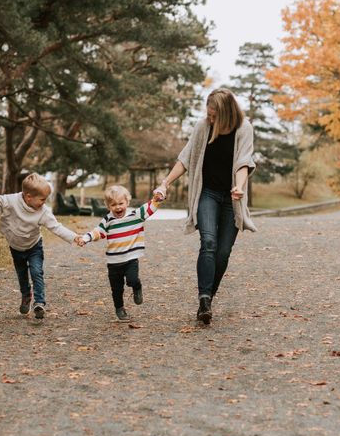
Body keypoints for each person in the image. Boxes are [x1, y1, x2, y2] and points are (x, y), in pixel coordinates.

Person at [153, 87, 256, 325]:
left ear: (227, 114)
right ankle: (204, 299)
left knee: (223, 252)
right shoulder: (203, 127)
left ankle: (209, 294)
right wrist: (165, 183)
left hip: (232, 198)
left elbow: (244, 161)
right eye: (208, 114)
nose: (209, 119)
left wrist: (239, 186)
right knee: (208, 242)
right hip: (207, 193)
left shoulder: (244, 129)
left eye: (214, 116)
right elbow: (186, 158)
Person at [0, 173, 82, 320]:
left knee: (36, 272)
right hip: (15, 247)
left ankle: (39, 302)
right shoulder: (12, 201)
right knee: (22, 275)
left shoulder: (44, 212)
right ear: (28, 197)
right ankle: (26, 296)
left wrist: (74, 237)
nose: (45, 202)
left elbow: (56, 227)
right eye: (42, 199)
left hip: (34, 246)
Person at [76, 185, 161, 322]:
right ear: (108, 206)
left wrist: (157, 199)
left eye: (121, 203)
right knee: (116, 289)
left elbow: (150, 208)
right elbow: (98, 232)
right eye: (113, 205)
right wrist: (86, 238)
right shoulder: (108, 220)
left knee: (132, 280)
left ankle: (137, 286)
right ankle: (119, 309)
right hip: (113, 262)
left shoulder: (136, 215)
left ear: (127, 202)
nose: (118, 207)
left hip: (131, 258)